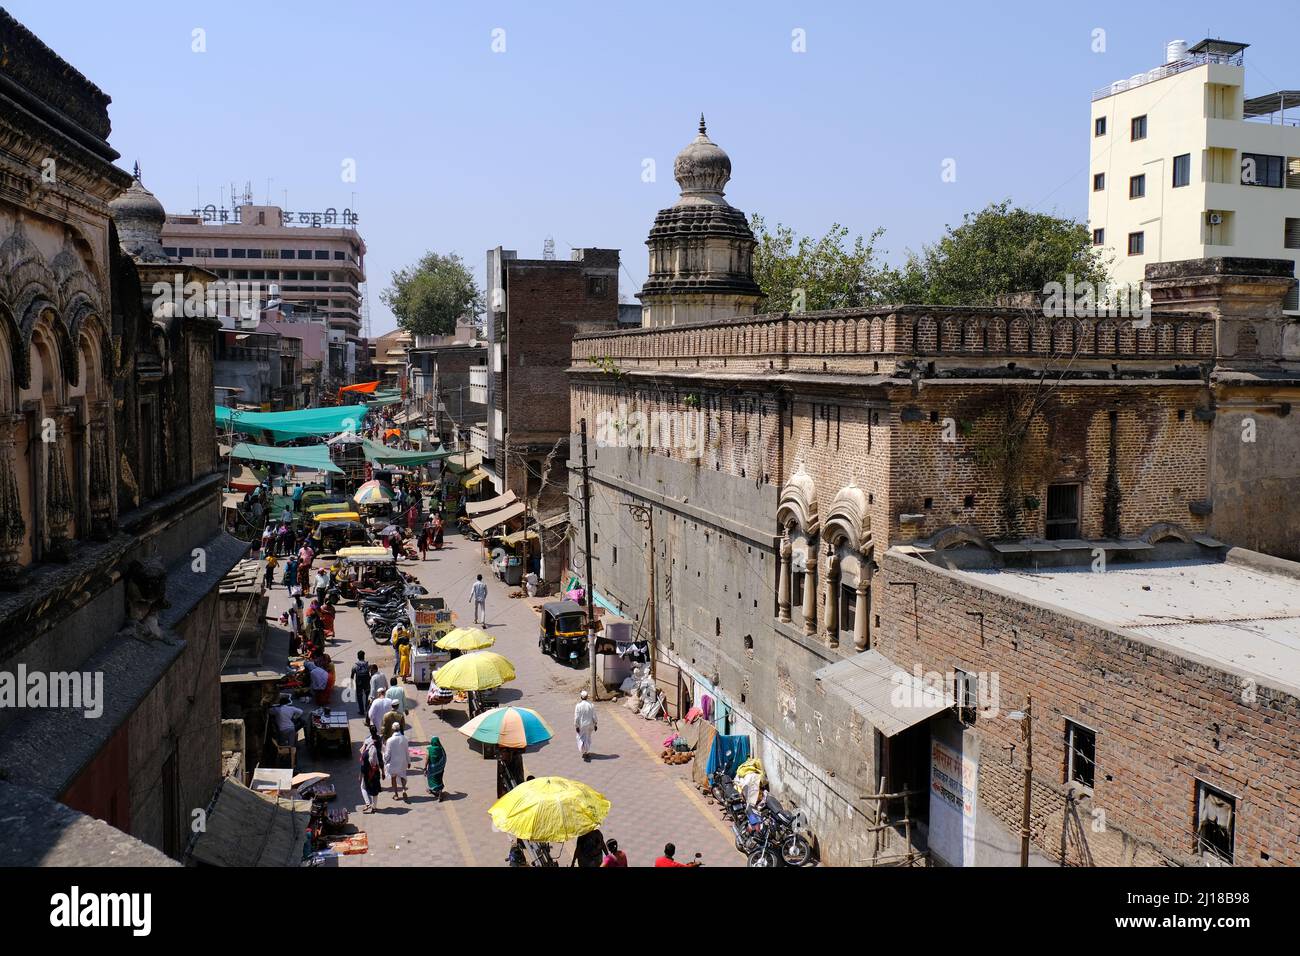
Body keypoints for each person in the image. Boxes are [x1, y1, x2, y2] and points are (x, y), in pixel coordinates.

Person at [360, 731, 384, 813]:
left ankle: (367, 803)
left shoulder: (365, 754)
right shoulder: (378, 752)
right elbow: (381, 763)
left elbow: (362, 766)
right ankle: (374, 807)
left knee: (363, 787)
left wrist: (361, 775)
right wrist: (383, 772)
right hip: (375, 774)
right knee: (375, 791)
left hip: (367, 774)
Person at [384, 726, 411, 801]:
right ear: (399, 729)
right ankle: (403, 790)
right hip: (403, 762)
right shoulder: (404, 738)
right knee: (402, 776)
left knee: (393, 778)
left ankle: (396, 795)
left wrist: (385, 759)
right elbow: (407, 752)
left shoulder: (389, 740)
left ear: (392, 729)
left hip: (393, 763)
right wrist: (409, 762)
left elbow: (387, 754)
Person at [574, 689, 597, 761]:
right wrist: (595, 724)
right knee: (588, 738)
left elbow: (576, 717)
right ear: (587, 697)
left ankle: (583, 751)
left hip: (581, 725)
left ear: (581, 697)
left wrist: (576, 726)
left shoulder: (578, 706)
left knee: (580, 737)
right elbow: (594, 716)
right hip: (590, 725)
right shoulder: (591, 705)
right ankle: (586, 752)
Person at [425, 736, 447, 801]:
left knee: (432, 779)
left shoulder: (430, 750)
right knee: (439, 780)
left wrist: (424, 768)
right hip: (440, 768)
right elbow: (444, 757)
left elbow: (427, 759)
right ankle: (439, 795)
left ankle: (433, 790)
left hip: (432, 770)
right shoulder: (441, 749)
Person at [351, 651, 372, 717]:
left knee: (359, 697)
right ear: (364, 656)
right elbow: (371, 674)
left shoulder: (355, 666)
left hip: (359, 683)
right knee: (367, 696)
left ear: (358, 657)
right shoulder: (367, 665)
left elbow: (352, 675)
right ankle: (367, 709)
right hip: (367, 683)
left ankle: (362, 711)